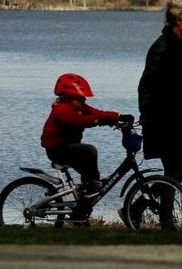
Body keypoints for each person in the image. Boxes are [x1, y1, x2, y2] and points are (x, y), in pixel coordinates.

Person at [138, 0, 182, 228]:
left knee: (177, 172)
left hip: (177, 120)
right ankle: (164, 220)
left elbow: (181, 90)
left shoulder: (177, 47)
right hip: (163, 121)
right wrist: (146, 114)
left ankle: (139, 208)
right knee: (175, 171)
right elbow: (146, 85)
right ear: (179, 21)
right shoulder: (163, 48)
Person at [40, 72, 126, 219]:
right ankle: (90, 189)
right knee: (89, 151)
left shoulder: (79, 106)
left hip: (70, 148)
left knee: (89, 178)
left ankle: (83, 206)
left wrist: (117, 117)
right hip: (57, 149)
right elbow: (78, 121)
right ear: (67, 96)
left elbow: (97, 112)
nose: (84, 99)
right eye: (80, 97)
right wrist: (98, 121)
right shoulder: (61, 109)